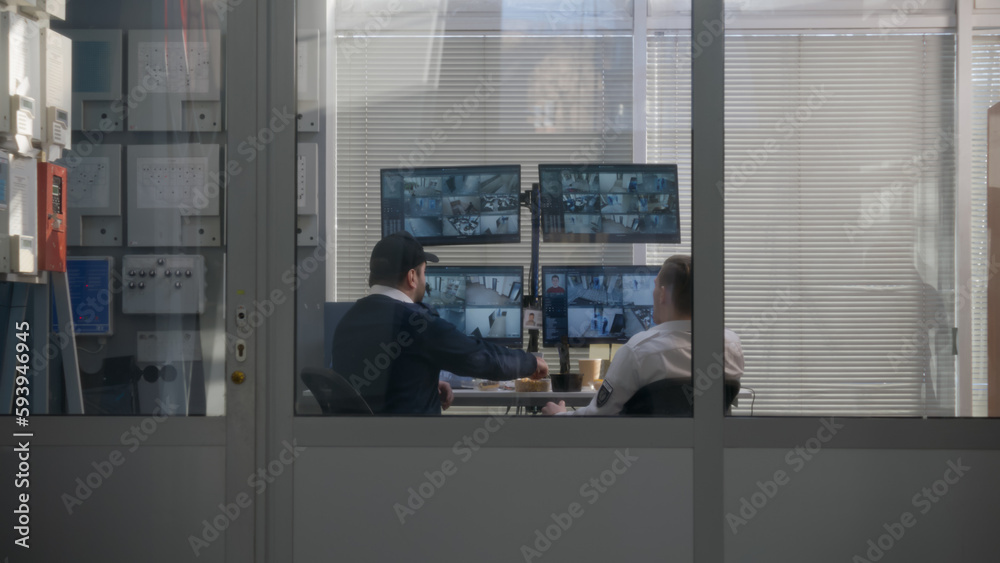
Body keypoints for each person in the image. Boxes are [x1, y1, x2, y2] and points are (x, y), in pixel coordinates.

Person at [331, 232, 548, 415]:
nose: (425, 280)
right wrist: (530, 363)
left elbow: (378, 382)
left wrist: (424, 382)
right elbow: (478, 357)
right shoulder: (416, 323)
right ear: (412, 277)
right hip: (412, 449)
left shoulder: (349, 319)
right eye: (424, 272)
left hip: (365, 446)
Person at [542, 255, 743, 416]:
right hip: (705, 458)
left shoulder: (637, 351)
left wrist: (560, 414)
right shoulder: (731, 345)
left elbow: (597, 418)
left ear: (663, 294)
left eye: (655, 285)